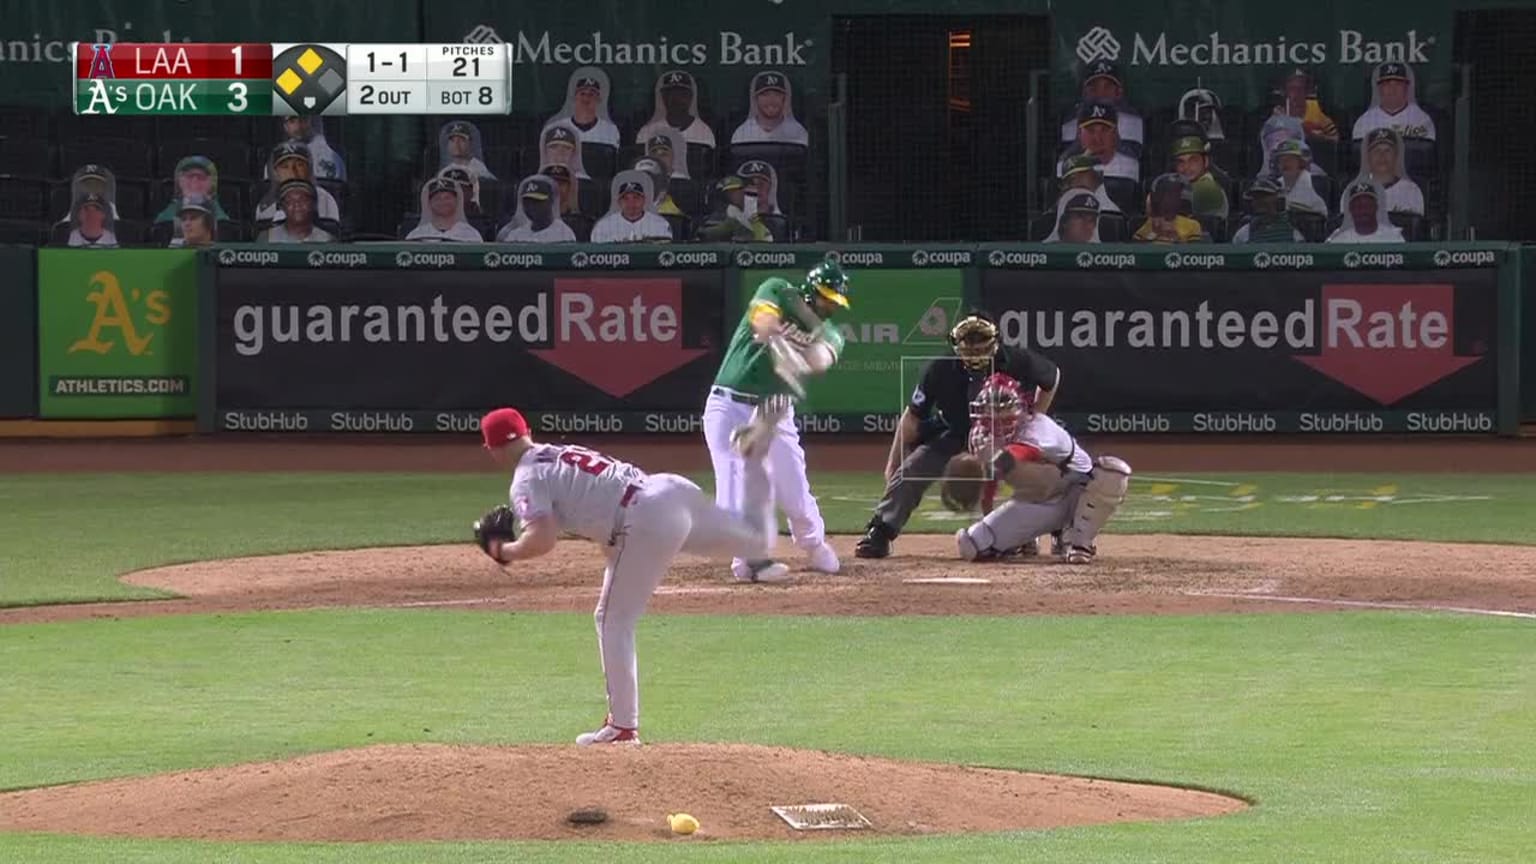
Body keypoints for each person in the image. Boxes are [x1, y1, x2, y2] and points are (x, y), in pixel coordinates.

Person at [471, 406, 777, 745]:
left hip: (646, 519)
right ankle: (754, 463)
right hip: (670, 490)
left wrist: (504, 551)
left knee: (612, 619)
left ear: (492, 449)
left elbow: (542, 539)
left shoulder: (527, 478)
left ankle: (622, 727)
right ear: (527, 431)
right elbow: (600, 505)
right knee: (753, 539)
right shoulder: (562, 452)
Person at [855, 310, 1061, 560]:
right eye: (968, 342)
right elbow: (912, 417)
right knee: (913, 469)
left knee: (1049, 466)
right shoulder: (940, 369)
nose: (974, 349)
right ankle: (881, 531)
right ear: (956, 344)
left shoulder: (1016, 359)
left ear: (996, 341)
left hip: (1006, 437)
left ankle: (1057, 530)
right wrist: (893, 464)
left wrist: (1034, 420)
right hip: (956, 433)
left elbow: (1052, 377)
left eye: (980, 341)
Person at [703, 261, 851, 581]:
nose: (829, 306)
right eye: (825, 298)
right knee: (733, 484)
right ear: (811, 292)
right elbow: (763, 320)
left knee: (793, 485)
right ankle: (749, 559)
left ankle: (814, 545)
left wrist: (802, 357)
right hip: (729, 404)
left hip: (775, 409)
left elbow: (822, 358)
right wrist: (778, 341)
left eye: (834, 302)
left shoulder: (831, 333)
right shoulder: (778, 289)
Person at [946, 373, 1131, 566]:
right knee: (973, 543)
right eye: (990, 409)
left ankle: (1078, 541)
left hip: (1077, 495)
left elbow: (1020, 455)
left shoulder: (1037, 426)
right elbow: (991, 482)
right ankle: (1029, 538)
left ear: (1018, 407)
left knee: (1112, 473)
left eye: (1002, 409)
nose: (995, 416)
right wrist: (990, 515)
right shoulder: (981, 437)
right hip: (1040, 501)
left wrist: (988, 458)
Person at [1058, 60, 1143, 157]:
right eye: (1093, 88)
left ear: (1119, 93)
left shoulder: (1130, 117)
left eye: (1107, 87)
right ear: (1084, 93)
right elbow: (1068, 159)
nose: (1100, 93)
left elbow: (1133, 158)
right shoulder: (1072, 118)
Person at [253, 142, 340, 224]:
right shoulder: (266, 205)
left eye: (300, 165)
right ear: (275, 173)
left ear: (309, 169)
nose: (293, 171)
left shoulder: (326, 200)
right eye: (285, 167)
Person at [1351, 62, 1436, 144]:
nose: (1392, 89)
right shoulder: (1365, 121)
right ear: (1379, 88)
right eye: (1387, 85)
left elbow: (1426, 155)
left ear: (1406, 87)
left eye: (1398, 84)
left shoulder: (1421, 119)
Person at [1056, 102, 1138, 182]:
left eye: (1105, 130)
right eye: (1090, 130)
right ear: (1079, 134)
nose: (1097, 139)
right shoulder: (1065, 166)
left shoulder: (1128, 165)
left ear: (1115, 135)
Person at [636, 69, 716, 149]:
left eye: (682, 94)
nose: (676, 99)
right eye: (670, 94)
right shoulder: (647, 132)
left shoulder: (704, 131)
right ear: (663, 97)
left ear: (691, 97)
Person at [545, 67, 621, 150]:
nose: (586, 98)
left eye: (591, 94)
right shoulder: (557, 128)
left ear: (599, 100)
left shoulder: (610, 130)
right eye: (582, 94)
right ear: (574, 97)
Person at [1355, 127, 1424, 217]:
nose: (1382, 156)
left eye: (1387, 151)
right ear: (1368, 157)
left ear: (1396, 156)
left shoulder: (1412, 191)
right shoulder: (1353, 191)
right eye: (1377, 151)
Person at [589, 171, 673, 243]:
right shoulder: (603, 226)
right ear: (619, 202)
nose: (631, 203)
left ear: (644, 200)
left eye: (636, 198)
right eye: (625, 198)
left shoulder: (660, 224)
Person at [731, 70, 809, 146]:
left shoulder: (798, 132)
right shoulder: (742, 133)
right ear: (755, 99)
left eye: (777, 95)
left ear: (785, 98)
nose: (771, 100)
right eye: (765, 95)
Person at [496, 175, 576, 243]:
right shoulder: (515, 235)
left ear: (551, 201)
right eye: (527, 202)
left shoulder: (563, 233)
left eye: (537, 201)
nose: (531, 207)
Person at [696, 174, 774, 242]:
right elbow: (721, 229)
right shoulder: (727, 212)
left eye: (736, 190)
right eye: (729, 192)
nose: (733, 194)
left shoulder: (751, 209)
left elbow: (762, 234)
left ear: (743, 191)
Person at [153, 155, 230, 224]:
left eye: (201, 177)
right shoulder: (166, 217)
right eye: (189, 176)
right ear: (179, 182)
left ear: (212, 183)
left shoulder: (221, 219)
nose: (195, 181)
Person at [1132, 173, 1205, 244]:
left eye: (1174, 196)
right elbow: (1138, 247)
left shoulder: (1193, 225)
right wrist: (1155, 233)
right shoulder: (1151, 223)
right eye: (1166, 195)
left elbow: (1194, 252)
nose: (1170, 200)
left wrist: (1176, 238)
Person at [405, 177, 484, 242]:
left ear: (457, 201)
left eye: (448, 198)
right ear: (429, 203)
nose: (443, 202)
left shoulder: (471, 235)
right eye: (437, 198)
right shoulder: (416, 235)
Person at [1271, 67, 1339, 143]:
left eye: (1300, 89)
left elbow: (1335, 139)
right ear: (1285, 91)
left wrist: (1317, 137)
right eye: (1292, 88)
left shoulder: (1316, 108)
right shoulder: (1279, 112)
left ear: (1307, 91)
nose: (1295, 94)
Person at [1326, 179, 1405, 244]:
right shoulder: (1338, 239)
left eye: (1367, 206)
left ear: (1376, 207)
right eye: (1358, 207)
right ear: (1350, 210)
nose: (1363, 211)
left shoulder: (1393, 237)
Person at [1170, 135, 1229, 220]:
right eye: (1181, 162)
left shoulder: (1207, 187)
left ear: (1206, 162)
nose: (1186, 167)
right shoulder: (1181, 186)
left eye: (1193, 160)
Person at [1230, 177, 1304, 244]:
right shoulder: (1244, 233)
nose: (1260, 201)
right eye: (1256, 197)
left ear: (1277, 199)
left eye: (1264, 196)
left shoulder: (1291, 231)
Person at [258, 179, 334, 243]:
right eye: (290, 201)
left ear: (313, 204)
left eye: (303, 200)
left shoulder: (327, 240)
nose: (297, 205)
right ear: (282, 206)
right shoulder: (268, 238)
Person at [1267, 139, 1328, 216]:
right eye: (1281, 160)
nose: (1284, 163)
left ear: (1301, 162)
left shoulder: (1316, 182)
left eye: (1289, 159)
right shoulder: (1276, 185)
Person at [278, 115, 346, 181]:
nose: (298, 126)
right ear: (285, 126)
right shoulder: (278, 156)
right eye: (292, 121)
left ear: (310, 121)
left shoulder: (328, 156)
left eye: (303, 119)